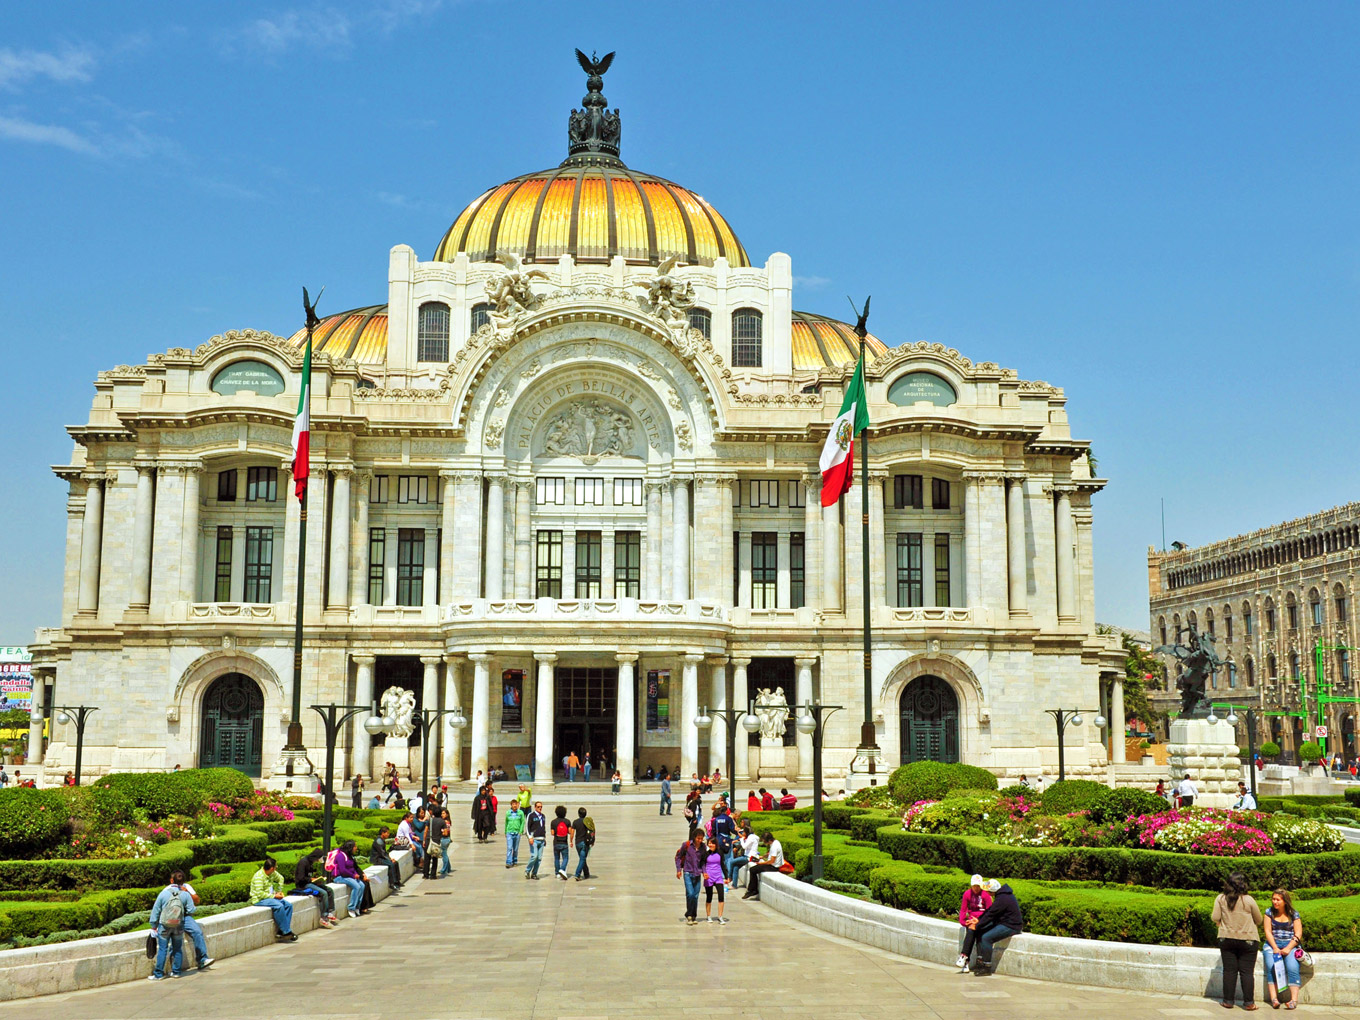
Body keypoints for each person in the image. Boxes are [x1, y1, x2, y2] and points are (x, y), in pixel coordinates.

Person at [1211, 871, 1263, 1009]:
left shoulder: (1221, 899)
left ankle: (1228, 1001)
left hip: (1226, 939)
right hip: (1248, 939)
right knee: (1246, 972)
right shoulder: (1248, 900)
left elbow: (1215, 917)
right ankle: (1249, 1003)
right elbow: (1259, 919)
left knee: (1229, 971)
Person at [967, 879, 1023, 976]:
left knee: (986, 938)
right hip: (1003, 922)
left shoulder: (1003, 899)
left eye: (987, 891)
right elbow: (990, 911)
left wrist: (977, 925)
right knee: (981, 932)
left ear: (992, 891)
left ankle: (986, 967)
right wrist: (979, 921)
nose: (986, 892)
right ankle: (980, 961)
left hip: (1011, 926)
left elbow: (991, 915)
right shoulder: (1002, 895)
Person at [147, 871, 195, 980]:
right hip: (178, 925)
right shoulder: (186, 894)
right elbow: (192, 910)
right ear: (183, 881)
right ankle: (176, 972)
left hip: (164, 925)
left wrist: (153, 925)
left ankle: (158, 974)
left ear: (171, 880)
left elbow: (156, 910)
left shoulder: (164, 893)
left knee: (163, 949)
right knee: (178, 948)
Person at [1263, 887, 1303, 1009]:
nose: (1275, 902)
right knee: (1271, 967)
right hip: (1272, 944)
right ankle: (1274, 999)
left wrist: (1288, 948)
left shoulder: (1294, 914)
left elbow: (1298, 933)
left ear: (1285, 901)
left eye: (1278, 900)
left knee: (1292, 967)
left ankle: (1293, 1000)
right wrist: (1275, 947)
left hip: (1290, 945)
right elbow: (1267, 931)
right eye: (1273, 899)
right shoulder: (1269, 912)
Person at [249, 857, 298, 941]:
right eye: (276, 867)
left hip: (270, 897)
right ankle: (286, 931)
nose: (276, 869)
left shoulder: (272, 873)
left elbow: (281, 878)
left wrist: (279, 890)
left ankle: (282, 930)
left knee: (288, 905)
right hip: (259, 900)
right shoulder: (259, 877)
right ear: (272, 868)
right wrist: (274, 896)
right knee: (279, 906)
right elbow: (259, 893)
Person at [955, 874, 993, 970]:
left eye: (977, 886)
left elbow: (990, 911)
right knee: (971, 932)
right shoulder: (967, 894)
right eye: (974, 886)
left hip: (982, 920)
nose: (976, 888)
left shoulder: (986, 895)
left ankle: (967, 958)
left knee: (978, 934)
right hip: (972, 920)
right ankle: (965, 959)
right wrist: (964, 922)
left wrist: (980, 922)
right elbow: (963, 910)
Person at [293, 848, 339, 926]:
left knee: (329, 890)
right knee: (323, 893)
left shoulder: (310, 863)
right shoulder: (303, 863)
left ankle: (330, 912)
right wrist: (311, 879)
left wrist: (317, 880)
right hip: (303, 885)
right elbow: (301, 878)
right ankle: (323, 916)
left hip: (310, 882)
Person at [328, 842, 369, 916]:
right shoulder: (340, 856)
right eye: (355, 846)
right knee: (357, 886)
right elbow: (343, 870)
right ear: (350, 847)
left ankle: (357, 906)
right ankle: (351, 907)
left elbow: (352, 867)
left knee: (362, 885)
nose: (356, 848)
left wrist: (357, 874)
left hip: (349, 876)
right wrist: (353, 875)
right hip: (340, 877)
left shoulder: (350, 856)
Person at [675, 828, 706, 925]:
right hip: (688, 872)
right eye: (698, 838)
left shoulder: (703, 847)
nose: (700, 840)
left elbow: (703, 861)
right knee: (690, 894)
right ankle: (689, 914)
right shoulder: (687, 845)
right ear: (694, 837)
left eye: (701, 839)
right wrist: (679, 869)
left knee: (695, 896)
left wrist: (704, 872)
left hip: (698, 873)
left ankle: (693, 915)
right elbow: (678, 857)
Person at [741, 834, 785, 901]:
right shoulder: (775, 842)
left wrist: (761, 863)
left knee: (753, 870)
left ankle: (752, 890)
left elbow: (772, 861)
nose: (764, 842)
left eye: (764, 840)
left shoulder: (775, 846)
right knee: (753, 869)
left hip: (773, 867)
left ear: (768, 840)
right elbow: (770, 854)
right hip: (772, 865)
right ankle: (751, 890)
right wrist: (763, 857)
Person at [702, 836, 730, 924]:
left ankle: (720, 916)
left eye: (712, 843)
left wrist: (726, 876)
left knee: (721, 896)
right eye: (709, 843)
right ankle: (708, 916)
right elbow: (702, 865)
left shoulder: (720, 853)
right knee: (709, 897)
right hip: (709, 877)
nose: (710, 845)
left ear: (715, 844)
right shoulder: (706, 854)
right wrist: (704, 873)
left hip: (718, 877)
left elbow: (723, 864)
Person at [370, 826, 403, 891]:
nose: (388, 834)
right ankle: (392, 883)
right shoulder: (379, 841)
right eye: (387, 833)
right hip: (377, 859)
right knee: (391, 864)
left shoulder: (382, 840)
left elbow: (385, 852)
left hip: (381, 857)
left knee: (395, 863)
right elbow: (382, 853)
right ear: (383, 833)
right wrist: (390, 860)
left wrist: (391, 858)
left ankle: (397, 881)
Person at [709, 803, 737, 878]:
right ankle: (727, 874)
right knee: (728, 857)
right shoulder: (728, 819)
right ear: (726, 811)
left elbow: (713, 831)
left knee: (719, 857)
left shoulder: (716, 820)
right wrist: (738, 833)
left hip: (718, 839)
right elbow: (732, 829)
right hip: (727, 839)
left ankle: (720, 874)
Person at [524, 801, 547, 880]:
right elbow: (527, 827)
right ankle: (527, 870)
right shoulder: (531, 815)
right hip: (534, 839)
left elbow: (543, 827)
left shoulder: (543, 816)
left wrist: (544, 838)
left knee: (539, 858)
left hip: (541, 839)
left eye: (541, 807)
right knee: (534, 856)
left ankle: (534, 873)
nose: (540, 808)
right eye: (538, 807)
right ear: (535, 807)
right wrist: (530, 837)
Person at [730, 822, 757, 888]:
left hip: (749, 857)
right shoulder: (750, 837)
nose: (743, 833)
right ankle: (734, 885)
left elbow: (744, 846)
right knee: (736, 867)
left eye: (744, 832)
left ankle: (729, 877)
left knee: (732, 862)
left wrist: (742, 840)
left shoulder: (751, 838)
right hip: (746, 856)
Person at [423, 804, 446, 879]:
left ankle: (425, 874)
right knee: (434, 858)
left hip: (428, 840)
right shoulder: (442, 822)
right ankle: (433, 875)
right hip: (436, 841)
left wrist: (424, 840)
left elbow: (426, 831)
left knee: (427, 858)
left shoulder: (430, 820)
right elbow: (445, 833)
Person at [571, 806, 594, 880]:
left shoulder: (575, 822)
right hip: (585, 842)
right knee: (582, 859)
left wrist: (571, 841)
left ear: (578, 814)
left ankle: (586, 873)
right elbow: (592, 832)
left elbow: (572, 833)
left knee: (582, 858)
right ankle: (577, 874)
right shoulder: (587, 822)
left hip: (577, 842)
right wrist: (592, 841)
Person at [550, 805, 572, 879]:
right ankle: (562, 869)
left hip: (556, 842)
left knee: (557, 858)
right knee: (565, 858)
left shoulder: (553, 822)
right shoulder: (567, 821)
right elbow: (570, 831)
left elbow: (552, 833)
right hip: (564, 842)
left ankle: (557, 873)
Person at [504, 797, 526, 869]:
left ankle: (515, 860)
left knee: (515, 848)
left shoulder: (520, 813)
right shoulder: (508, 813)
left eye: (515, 804)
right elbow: (506, 822)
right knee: (509, 847)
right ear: (511, 805)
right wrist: (505, 831)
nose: (514, 806)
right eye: (513, 804)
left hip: (517, 832)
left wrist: (520, 831)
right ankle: (508, 862)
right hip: (510, 832)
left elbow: (522, 822)